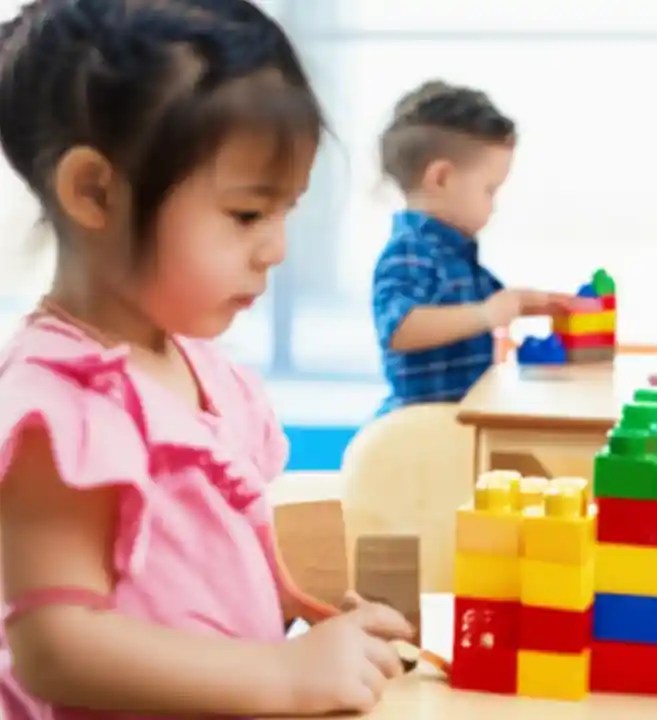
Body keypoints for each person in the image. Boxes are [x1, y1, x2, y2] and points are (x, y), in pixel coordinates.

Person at [0, 2, 414, 718]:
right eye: (248, 214)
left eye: (287, 211)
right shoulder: (61, 413)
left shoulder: (202, 371)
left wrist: (306, 610)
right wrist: (282, 677)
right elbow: (57, 648)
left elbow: (199, 563)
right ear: (95, 192)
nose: (277, 247)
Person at [372, 80, 574, 413]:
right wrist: (486, 314)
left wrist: (525, 304)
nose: (494, 205)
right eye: (489, 190)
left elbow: (492, 307)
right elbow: (398, 328)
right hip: (421, 422)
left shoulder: (457, 255)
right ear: (441, 178)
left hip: (460, 414)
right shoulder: (410, 251)